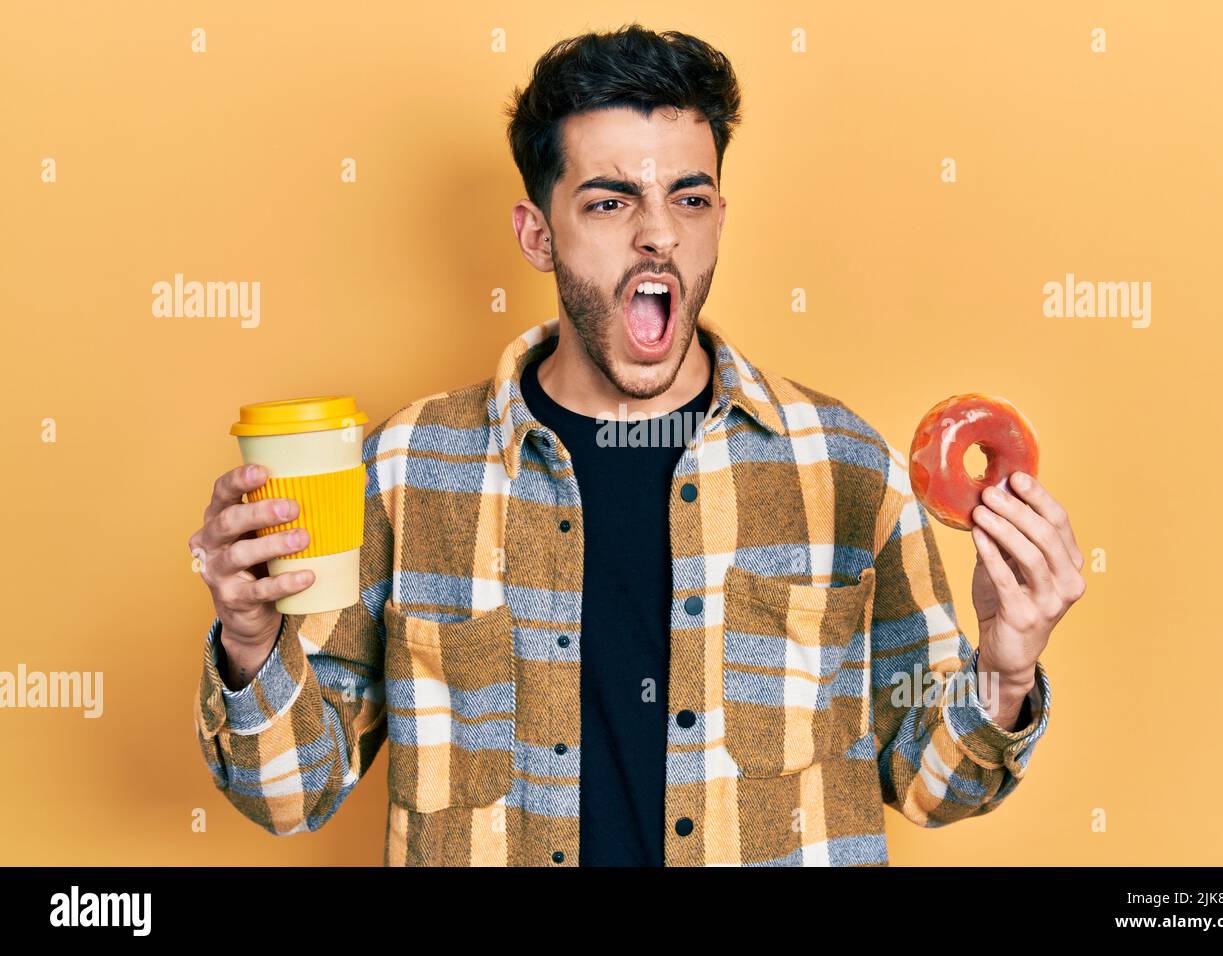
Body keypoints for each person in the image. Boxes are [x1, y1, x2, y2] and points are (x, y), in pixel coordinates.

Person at [189, 23, 1085, 867]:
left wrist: (1005, 670)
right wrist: (250, 637)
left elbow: (934, 789)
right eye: (612, 200)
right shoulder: (404, 471)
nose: (659, 232)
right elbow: (289, 793)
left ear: (720, 218)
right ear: (538, 235)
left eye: (688, 197)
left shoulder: (848, 466)